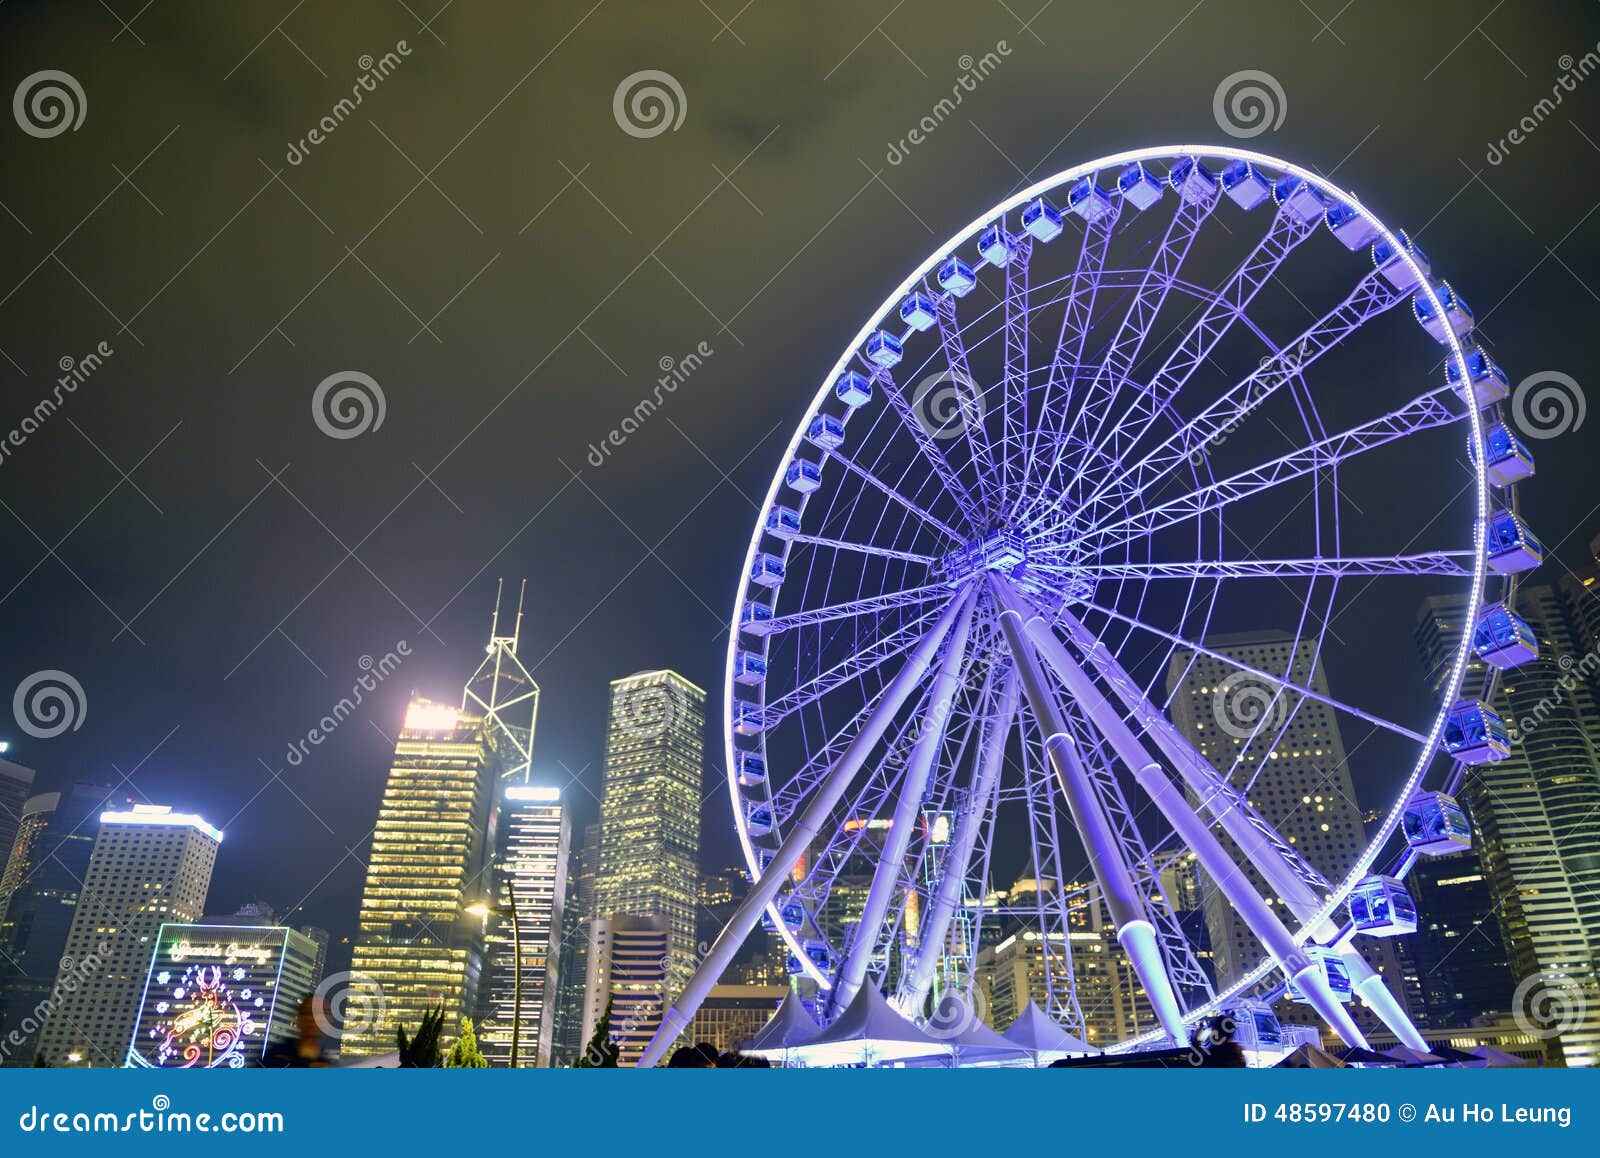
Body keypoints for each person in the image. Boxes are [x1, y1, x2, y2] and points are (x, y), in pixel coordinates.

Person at [262, 995, 334, 1067]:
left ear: (330, 1020)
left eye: (322, 1013)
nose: (314, 1018)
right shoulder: (277, 1054)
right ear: (298, 1018)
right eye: (308, 1012)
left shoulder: (327, 1063)